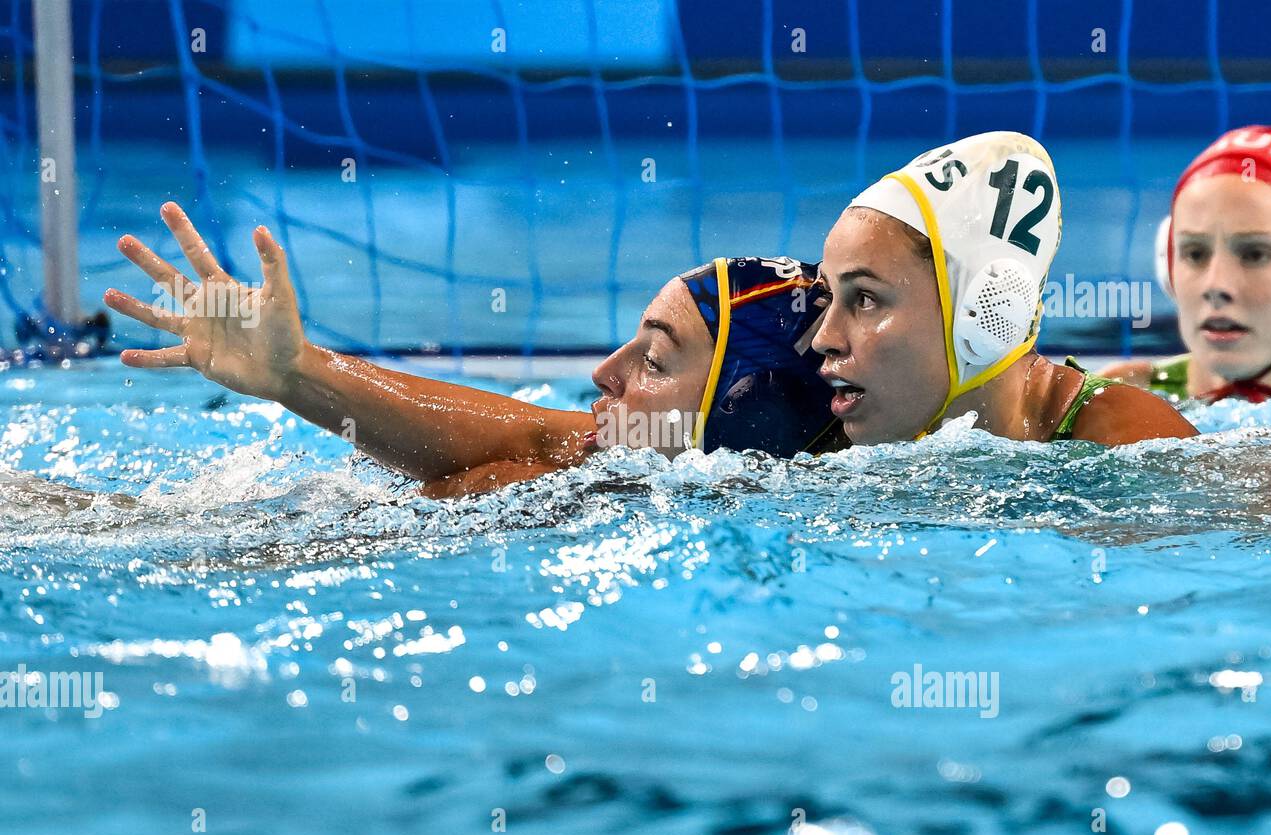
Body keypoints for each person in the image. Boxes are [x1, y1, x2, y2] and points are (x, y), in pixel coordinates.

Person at [103, 203, 842, 497]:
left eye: (652, 361)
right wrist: (294, 372)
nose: (602, 373)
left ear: (745, 417)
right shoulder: (612, 460)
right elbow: (524, 431)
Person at [811, 131, 1198, 445]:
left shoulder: (1131, 442)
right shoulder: (876, 429)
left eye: (865, 298)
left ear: (985, 311)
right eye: (829, 297)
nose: (824, 338)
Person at [1102, 125, 1271, 403]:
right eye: (1195, 254)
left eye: (1255, 254)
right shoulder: (1114, 400)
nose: (1215, 285)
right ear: (1167, 266)